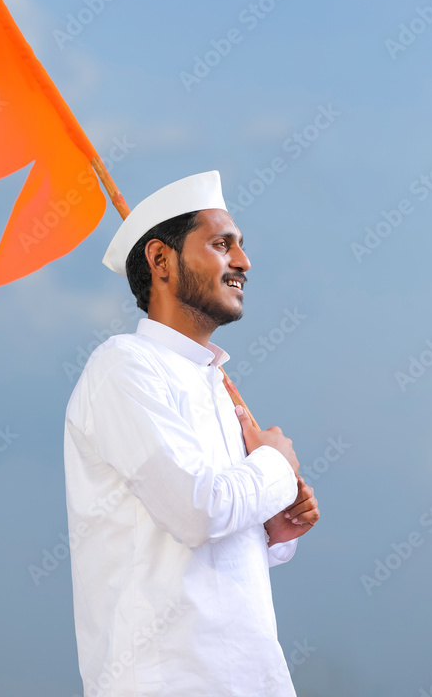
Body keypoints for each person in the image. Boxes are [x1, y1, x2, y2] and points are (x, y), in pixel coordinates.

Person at [64, 170, 319, 697]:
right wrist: (275, 463)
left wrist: (272, 528)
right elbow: (197, 511)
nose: (243, 262)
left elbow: (202, 531)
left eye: (241, 247)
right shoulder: (123, 366)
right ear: (161, 260)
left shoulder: (213, 382)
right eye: (222, 244)